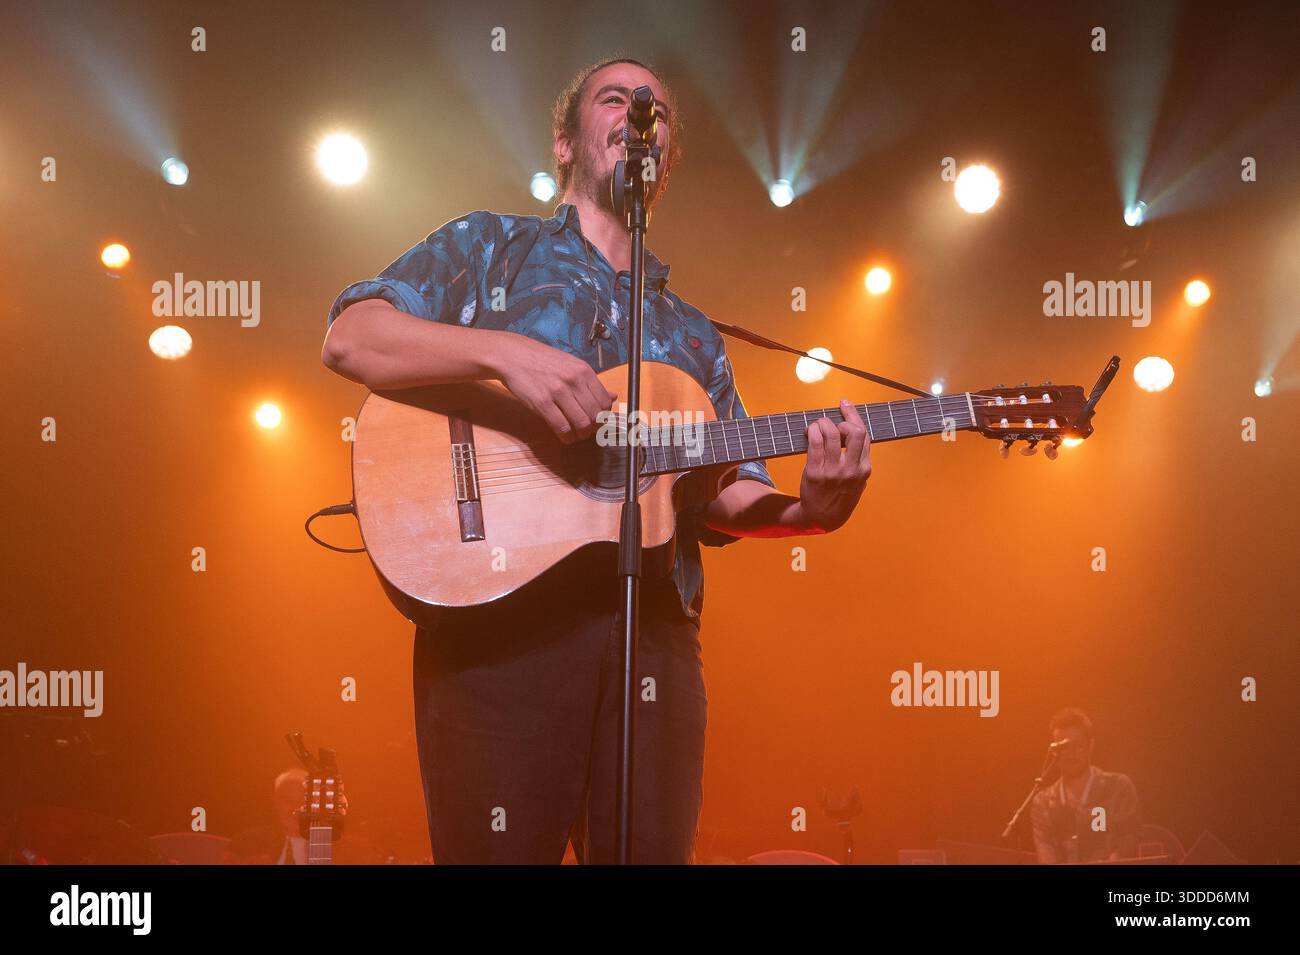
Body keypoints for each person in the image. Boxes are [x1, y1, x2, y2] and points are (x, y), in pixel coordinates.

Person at [321, 57, 872, 864]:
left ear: (666, 159)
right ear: (565, 144)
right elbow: (351, 337)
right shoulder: (493, 247)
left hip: (655, 641)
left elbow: (723, 492)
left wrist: (814, 509)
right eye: (616, 97)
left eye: (656, 108)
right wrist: (505, 353)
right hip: (497, 622)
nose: (639, 108)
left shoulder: (691, 336)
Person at [1031, 708, 1141, 863]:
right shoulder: (1043, 802)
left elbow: (1128, 840)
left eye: (1077, 745)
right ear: (1054, 751)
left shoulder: (1118, 787)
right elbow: (1045, 851)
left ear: (1091, 745)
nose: (1070, 753)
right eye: (1063, 747)